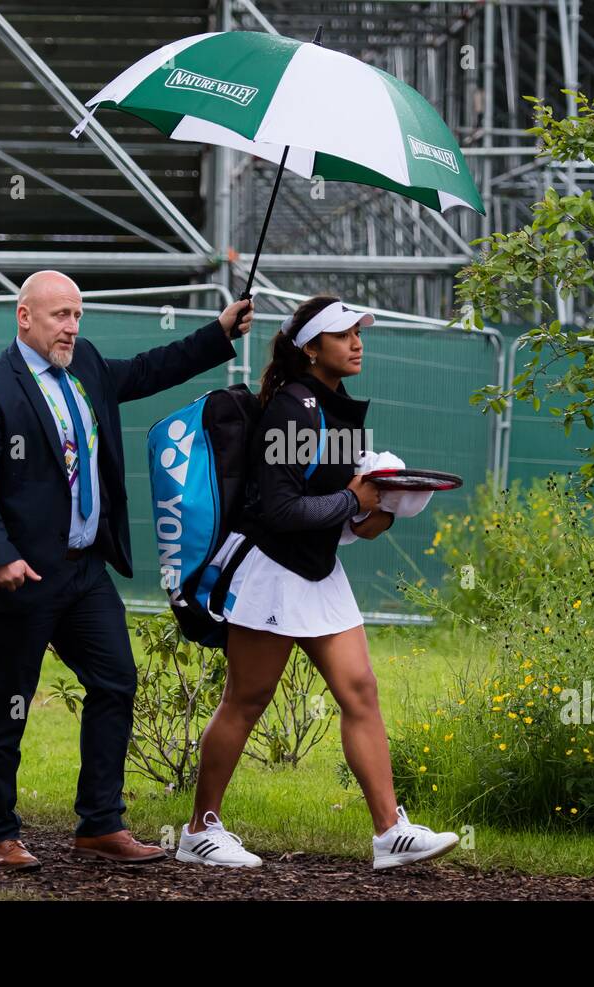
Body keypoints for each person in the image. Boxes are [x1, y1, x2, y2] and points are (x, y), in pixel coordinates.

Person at [0, 270, 252, 871]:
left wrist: (216, 334)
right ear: (25, 317)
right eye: (60, 315)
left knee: (115, 682)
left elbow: (146, 370)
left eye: (78, 315)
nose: (72, 326)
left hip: (85, 571)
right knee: (9, 702)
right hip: (21, 576)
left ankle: (99, 826)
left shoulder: (84, 365)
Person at [176, 294, 459, 870]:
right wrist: (351, 499)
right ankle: (199, 831)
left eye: (360, 334)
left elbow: (336, 511)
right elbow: (279, 509)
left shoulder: (338, 409)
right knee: (246, 701)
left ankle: (389, 833)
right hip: (273, 572)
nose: (357, 343)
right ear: (311, 348)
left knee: (360, 692)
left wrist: (377, 509)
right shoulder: (293, 408)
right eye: (343, 334)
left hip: (318, 571)